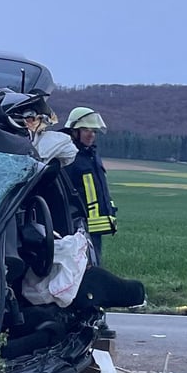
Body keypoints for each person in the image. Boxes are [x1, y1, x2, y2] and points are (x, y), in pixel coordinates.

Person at [62, 107, 117, 263]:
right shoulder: (68, 156)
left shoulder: (91, 156)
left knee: (94, 267)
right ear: (74, 131)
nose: (91, 134)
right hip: (76, 228)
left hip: (93, 229)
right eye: (86, 130)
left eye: (94, 131)